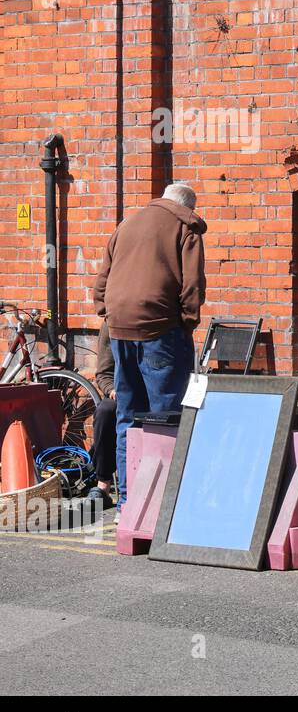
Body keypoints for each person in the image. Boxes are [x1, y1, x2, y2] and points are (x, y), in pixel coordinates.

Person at [93, 183, 207, 488]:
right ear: (188, 207)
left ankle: (128, 503)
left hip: (119, 329)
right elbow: (193, 285)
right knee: (165, 418)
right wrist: (186, 322)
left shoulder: (126, 224)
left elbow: (102, 281)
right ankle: (161, 503)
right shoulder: (186, 226)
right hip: (160, 329)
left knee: (127, 419)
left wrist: (108, 313)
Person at [90, 322, 117, 502]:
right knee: (105, 412)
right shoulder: (111, 323)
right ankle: (103, 484)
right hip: (121, 393)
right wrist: (112, 390)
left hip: (152, 392)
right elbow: (104, 373)